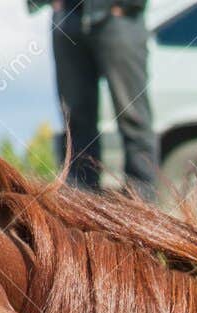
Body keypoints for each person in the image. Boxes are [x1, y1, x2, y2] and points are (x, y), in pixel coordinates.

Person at [29, 0, 157, 199]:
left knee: (133, 117)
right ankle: (81, 206)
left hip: (121, 17)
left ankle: (144, 206)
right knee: (75, 121)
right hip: (69, 15)